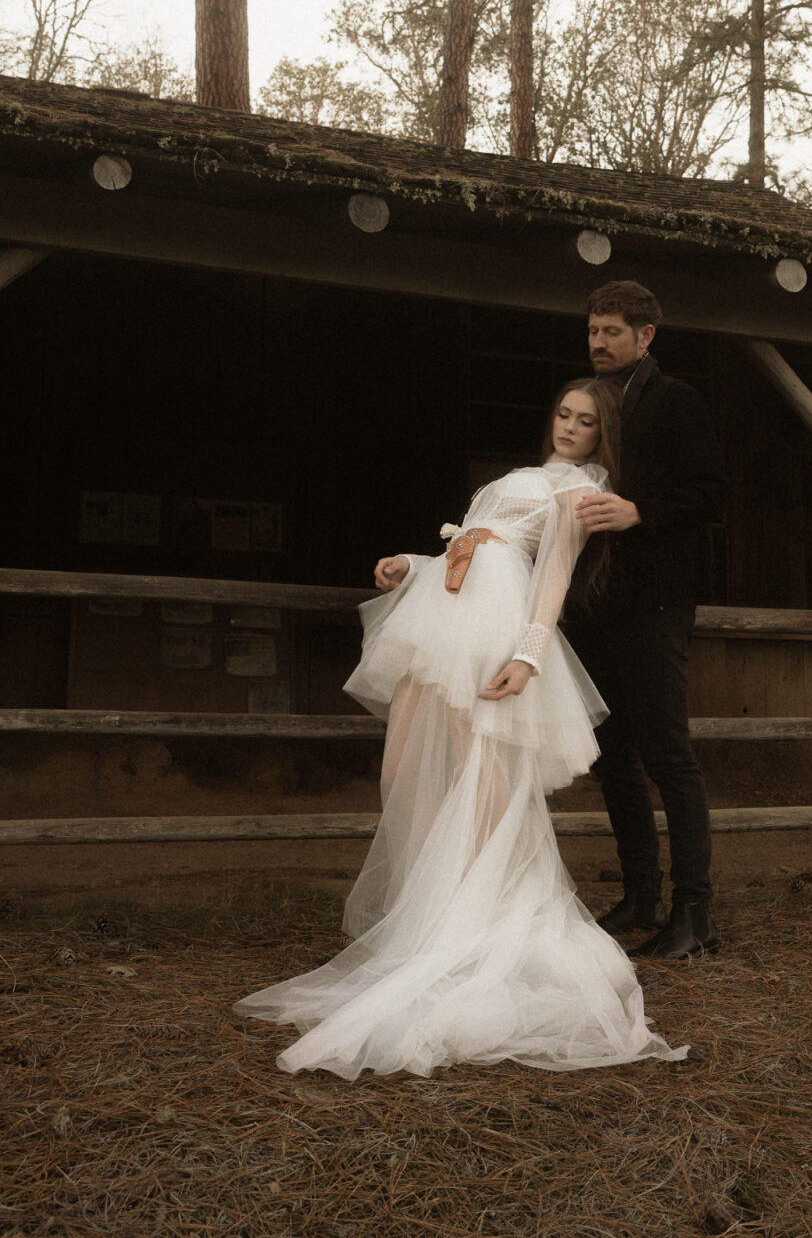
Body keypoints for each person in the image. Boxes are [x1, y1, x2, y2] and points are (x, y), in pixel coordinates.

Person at [234, 378, 687, 1079]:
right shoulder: (511, 479)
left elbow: (553, 572)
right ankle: (428, 918)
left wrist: (529, 655)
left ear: (603, 436)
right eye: (563, 414)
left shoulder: (579, 488)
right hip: (442, 615)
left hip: (494, 627)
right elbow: (469, 547)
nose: (569, 427)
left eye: (586, 421)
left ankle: (476, 929)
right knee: (405, 769)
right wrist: (410, 564)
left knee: (483, 777)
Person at [567, 281, 726, 960]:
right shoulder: (591, 403)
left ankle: (694, 915)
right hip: (596, 603)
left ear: (645, 335)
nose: (599, 342)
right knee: (611, 758)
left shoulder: (674, 400)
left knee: (667, 753)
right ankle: (641, 896)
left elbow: (710, 492)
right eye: (593, 331)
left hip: (656, 601)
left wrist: (639, 512)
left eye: (611, 331)